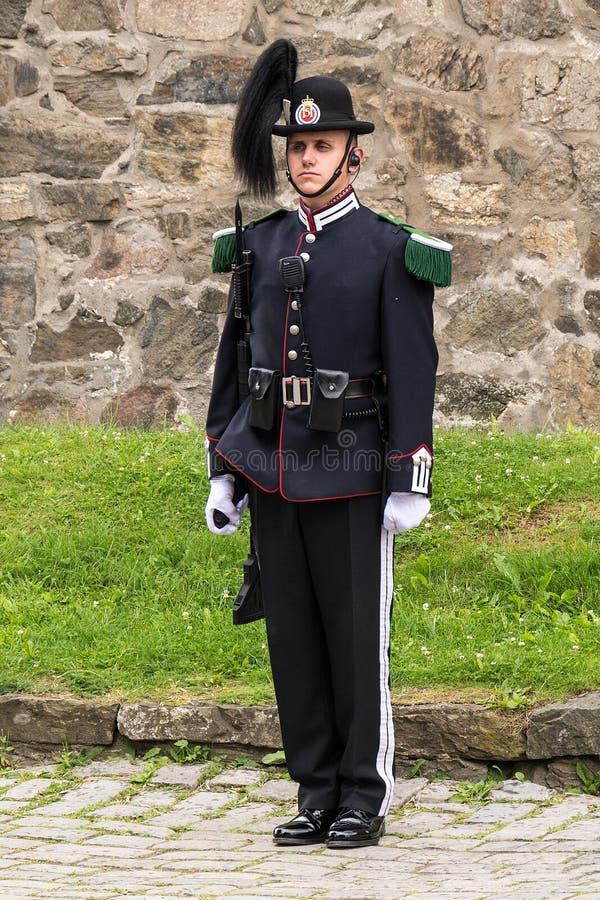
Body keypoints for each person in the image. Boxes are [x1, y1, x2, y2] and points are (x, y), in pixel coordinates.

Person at [204, 39, 451, 849]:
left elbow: (414, 369)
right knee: (295, 641)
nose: (308, 158)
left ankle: (362, 793)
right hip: (275, 469)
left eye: (322, 145)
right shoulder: (262, 244)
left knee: (354, 639)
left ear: (354, 153)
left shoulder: (390, 249)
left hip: (351, 468)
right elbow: (237, 364)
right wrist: (224, 472)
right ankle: (314, 789)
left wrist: (409, 473)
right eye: (298, 146)